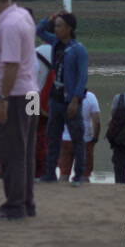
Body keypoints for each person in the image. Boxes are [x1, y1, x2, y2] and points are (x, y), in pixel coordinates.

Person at [0, 0, 38, 220]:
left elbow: (11, 65)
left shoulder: (9, 26)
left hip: (15, 96)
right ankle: (26, 202)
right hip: (30, 93)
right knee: (26, 151)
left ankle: (15, 205)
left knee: (12, 152)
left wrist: (1, 99)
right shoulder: (21, 15)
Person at [36, 11, 89, 185]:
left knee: (77, 138)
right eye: (56, 26)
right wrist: (49, 18)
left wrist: (76, 100)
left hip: (70, 101)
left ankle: (79, 175)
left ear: (69, 28)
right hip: (55, 98)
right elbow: (39, 30)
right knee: (53, 137)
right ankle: (50, 173)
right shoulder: (56, 42)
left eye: (59, 25)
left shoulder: (79, 50)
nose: (56, 29)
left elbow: (82, 77)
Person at [59, 89, 101, 183]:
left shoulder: (62, 95)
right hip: (85, 139)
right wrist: (95, 137)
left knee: (64, 173)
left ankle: (60, 194)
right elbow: (97, 121)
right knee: (84, 174)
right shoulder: (91, 97)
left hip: (65, 138)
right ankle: (83, 195)